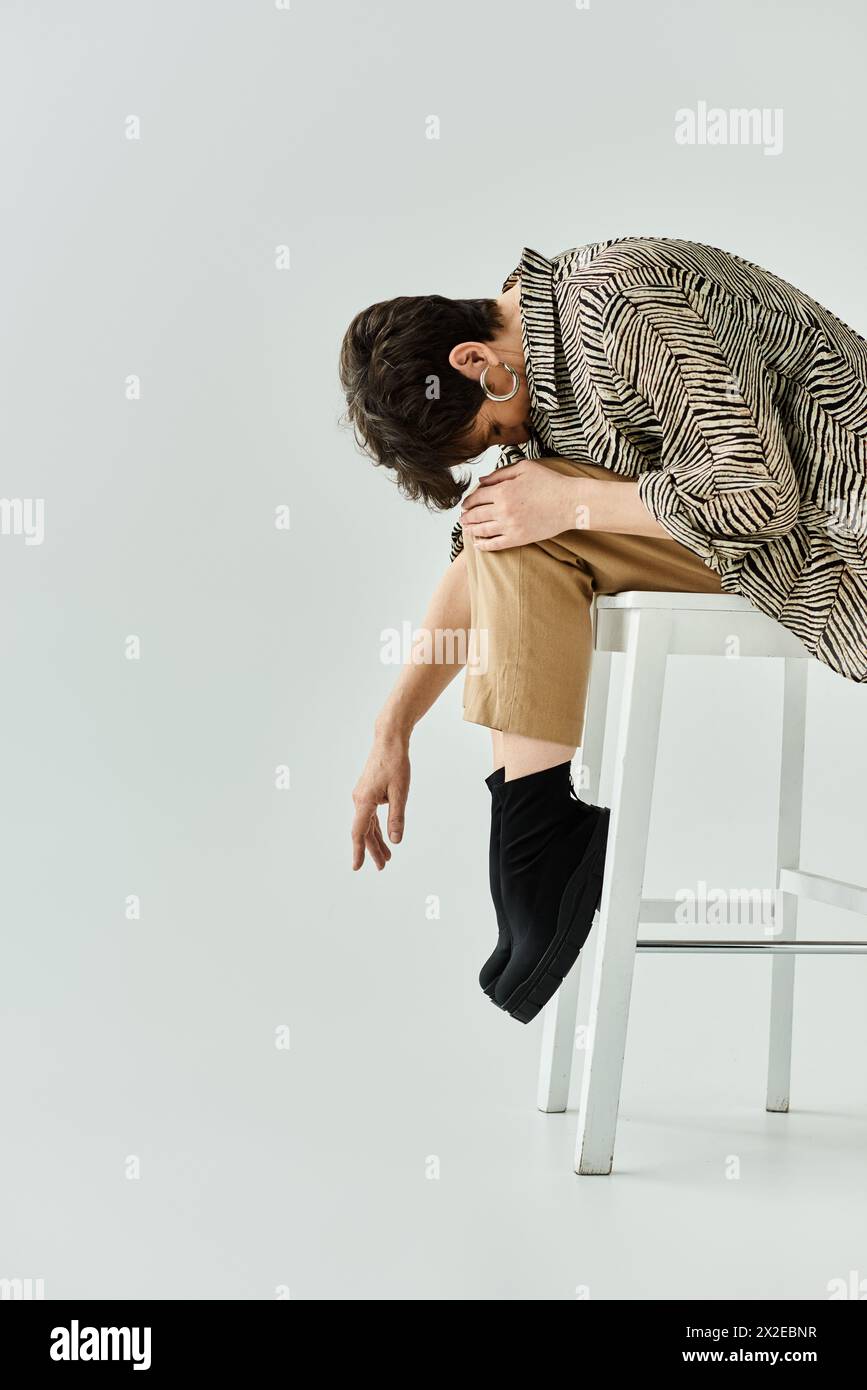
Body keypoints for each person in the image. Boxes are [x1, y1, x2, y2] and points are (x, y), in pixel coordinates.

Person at [340, 236, 867, 1023]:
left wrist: (569, 505)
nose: (506, 443)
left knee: (534, 512)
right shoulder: (539, 354)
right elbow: (489, 544)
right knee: (517, 518)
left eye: (487, 433)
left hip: (837, 537)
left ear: (475, 359)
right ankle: (535, 828)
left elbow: (755, 492)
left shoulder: (621, 305)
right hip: (757, 542)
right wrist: (393, 727)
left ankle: (536, 840)